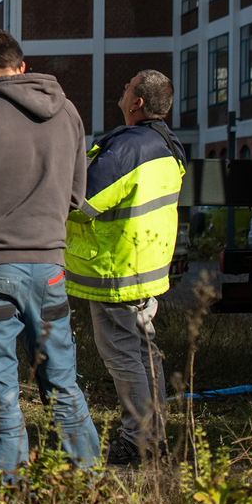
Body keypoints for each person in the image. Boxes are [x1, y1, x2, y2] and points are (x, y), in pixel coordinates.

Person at [0, 28, 101, 473]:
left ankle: (12, 491)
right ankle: (88, 484)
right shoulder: (69, 114)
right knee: (62, 381)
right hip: (49, 266)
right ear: (23, 67)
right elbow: (75, 196)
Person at [65, 69, 187, 465]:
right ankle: (154, 435)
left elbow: (81, 202)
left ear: (137, 103)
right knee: (144, 351)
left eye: (127, 84)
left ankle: (138, 441)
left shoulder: (127, 149)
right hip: (144, 267)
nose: (122, 87)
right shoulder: (167, 146)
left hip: (115, 271)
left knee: (123, 356)